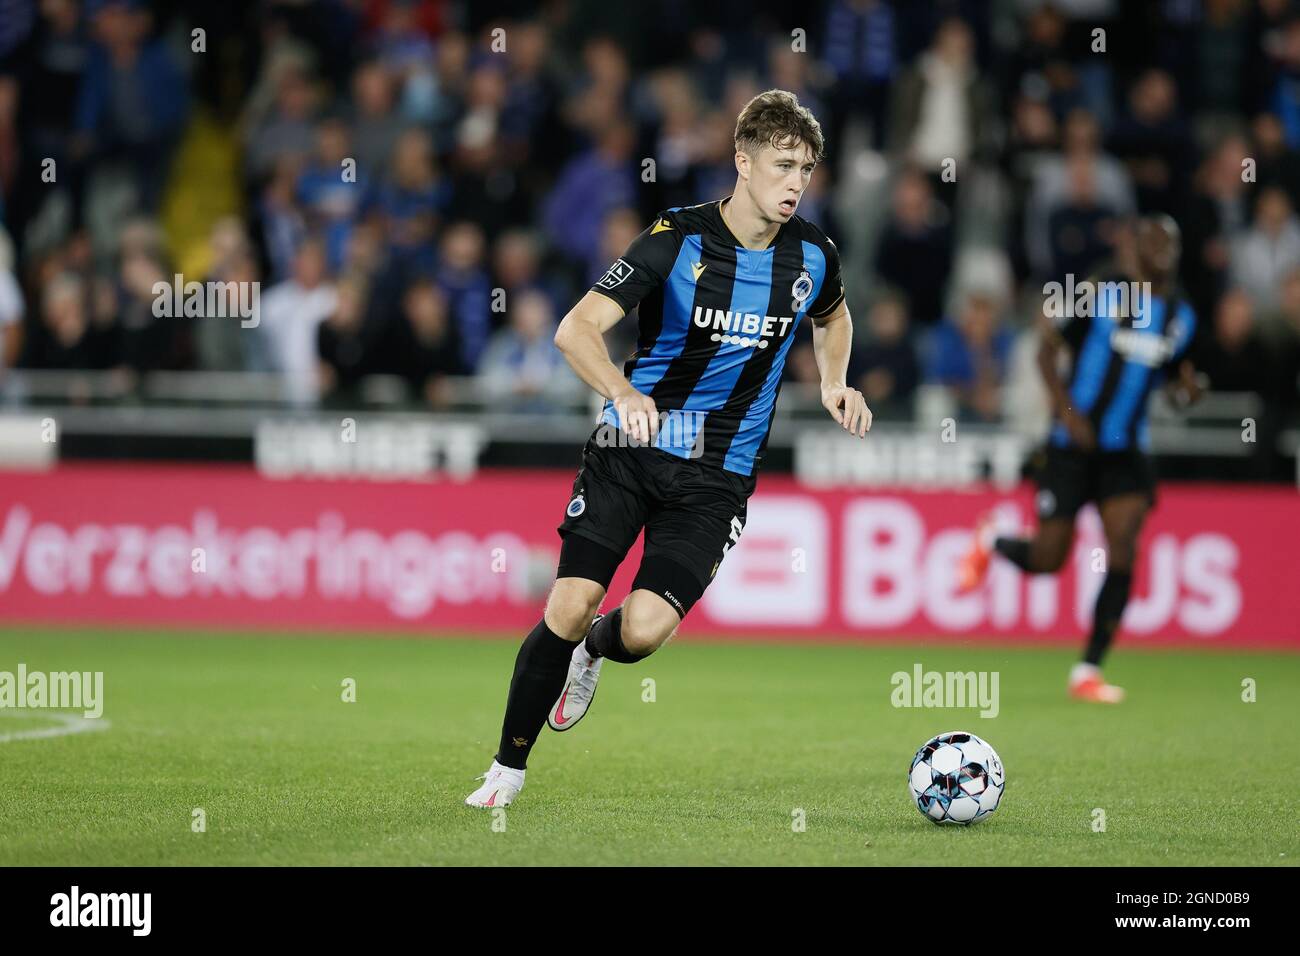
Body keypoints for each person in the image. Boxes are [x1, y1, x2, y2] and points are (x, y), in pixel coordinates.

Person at [466, 90, 871, 808]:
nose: (795, 183)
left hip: (719, 476)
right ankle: (506, 770)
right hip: (630, 450)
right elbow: (575, 329)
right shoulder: (675, 239)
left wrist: (837, 380)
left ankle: (595, 650)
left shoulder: (814, 253)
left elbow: (833, 316)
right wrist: (623, 394)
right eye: (782, 166)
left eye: (805, 169)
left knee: (645, 630)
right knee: (569, 601)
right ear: (741, 162)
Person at [956, 216, 1202, 704]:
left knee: (1125, 546)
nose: (1161, 252)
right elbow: (1047, 353)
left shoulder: (1181, 315)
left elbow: (1173, 379)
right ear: (1137, 248)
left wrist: (1187, 391)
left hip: (1125, 451)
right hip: (1070, 448)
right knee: (1049, 560)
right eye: (1153, 242)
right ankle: (992, 540)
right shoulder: (1102, 294)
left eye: (1169, 244)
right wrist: (1068, 414)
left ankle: (1088, 669)